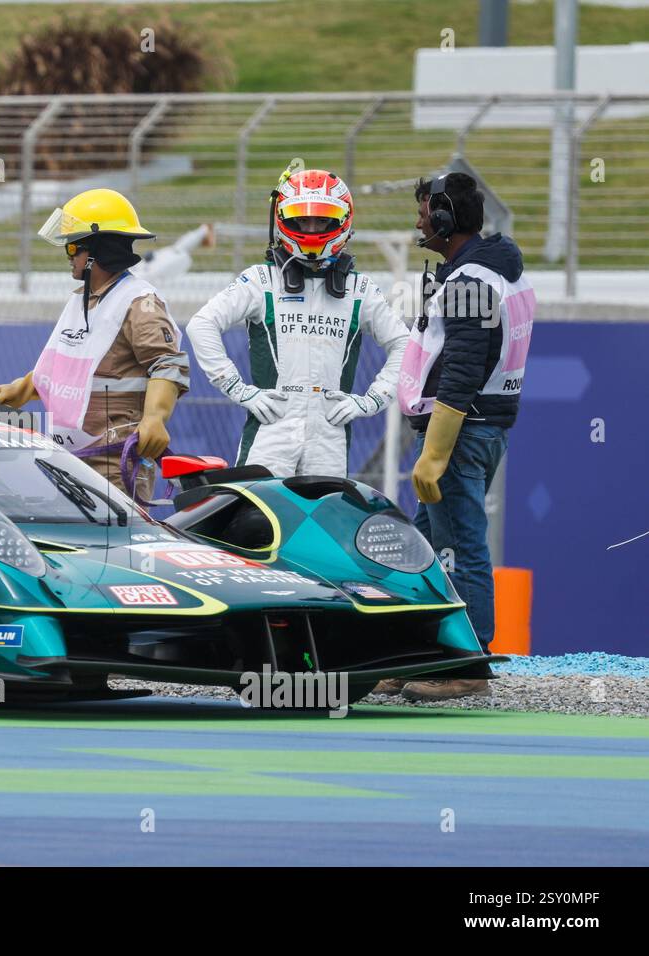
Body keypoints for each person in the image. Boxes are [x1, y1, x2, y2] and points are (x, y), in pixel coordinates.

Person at [383, 172, 535, 703]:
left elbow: (465, 368)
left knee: (458, 547)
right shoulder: (496, 271)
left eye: (425, 211)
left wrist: (435, 452)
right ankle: (422, 651)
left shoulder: (470, 282)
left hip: (461, 431)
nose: (419, 220)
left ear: (446, 219)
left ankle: (467, 663)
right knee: (424, 546)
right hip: (479, 428)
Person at [187, 167, 408, 477]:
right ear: (284, 219)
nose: (312, 228)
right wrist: (238, 390)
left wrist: (372, 400)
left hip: (329, 433)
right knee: (256, 521)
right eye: (302, 219)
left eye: (322, 219)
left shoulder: (360, 289)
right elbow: (201, 325)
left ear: (342, 220)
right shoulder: (261, 280)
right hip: (271, 429)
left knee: (322, 523)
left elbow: (405, 344)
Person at [0, 188, 189, 499]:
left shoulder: (138, 302)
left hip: (115, 470)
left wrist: (155, 419)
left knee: (116, 547)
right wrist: (20, 390)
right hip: (66, 464)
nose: (68, 256)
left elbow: (168, 364)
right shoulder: (82, 300)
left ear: (98, 251)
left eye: (73, 247)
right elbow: (62, 371)